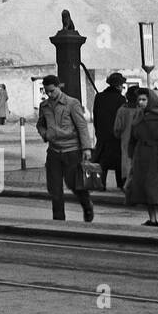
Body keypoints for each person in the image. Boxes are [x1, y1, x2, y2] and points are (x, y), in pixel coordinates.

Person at [35, 74, 95, 222]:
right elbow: (40, 124)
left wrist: (86, 148)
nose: (49, 94)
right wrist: (45, 134)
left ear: (58, 87)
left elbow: (82, 126)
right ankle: (58, 219)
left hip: (72, 151)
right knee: (54, 188)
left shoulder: (72, 103)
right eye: (46, 91)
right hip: (54, 151)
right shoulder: (44, 106)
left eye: (52, 91)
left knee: (75, 184)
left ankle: (87, 204)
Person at [125, 88, 158, 227]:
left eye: (144, 100)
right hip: (141, 157)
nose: (141, 103)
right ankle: (152, 219)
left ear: (150, 100)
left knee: (156, 190)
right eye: (139, 100)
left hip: (157, 157)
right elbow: (132, 138)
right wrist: (131, 155)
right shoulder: (138, 116)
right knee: (145, 190)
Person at [91, 72, 127, 189]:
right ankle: (120, 184)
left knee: (102, 160)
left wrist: (97, 131)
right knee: (118, 160)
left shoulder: (99, 97)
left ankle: (101, 184)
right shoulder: (121, 99)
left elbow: (95, 115)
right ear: (118, 86)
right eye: (122, 85)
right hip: (116, 135)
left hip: (102, 134)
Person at [114, 85, 144, 185]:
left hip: (125, 138)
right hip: (140, 139)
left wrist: (118, 135)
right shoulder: (142, 110)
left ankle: (127, 181)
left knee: (126, 160)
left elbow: (117, 128)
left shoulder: (122, 110)